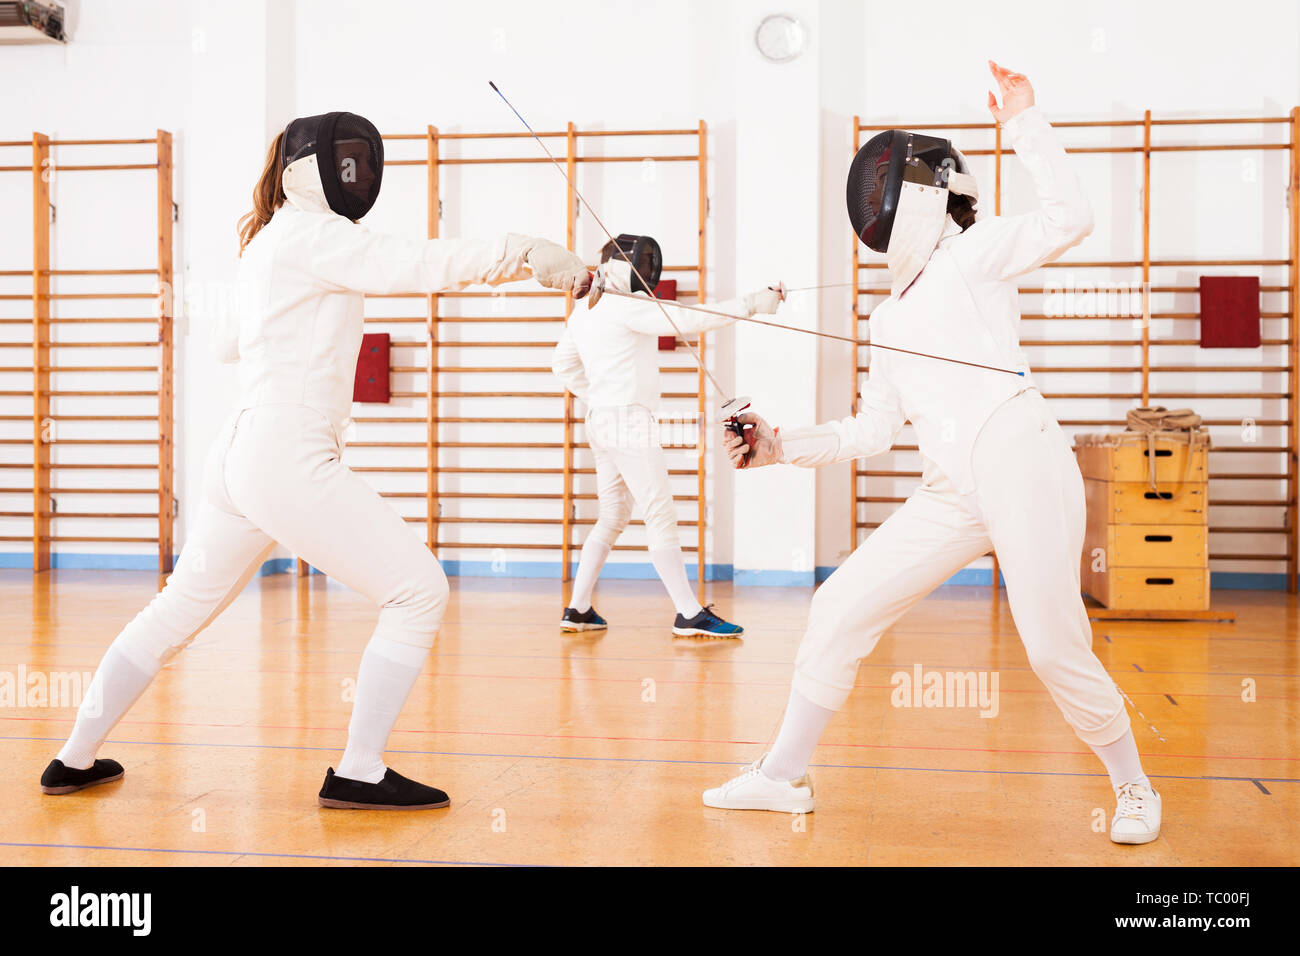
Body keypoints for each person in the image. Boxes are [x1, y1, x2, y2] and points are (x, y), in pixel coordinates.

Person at [40, 111, 591, 810]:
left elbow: (225, 346)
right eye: (348, 160)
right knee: (419, 591)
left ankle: (74, 757)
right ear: (311, 169)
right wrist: (523, 250)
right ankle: (359, 770)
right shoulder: (316, 237)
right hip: (284, 456)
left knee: (177, 606)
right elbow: (418, 265)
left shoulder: (271, 241)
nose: (358, 173)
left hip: (240, 455)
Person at [702, 63, 1161, 844]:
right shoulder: (885, 320)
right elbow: (871, 431)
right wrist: (780, 447)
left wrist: (1024, 120)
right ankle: (782, 775)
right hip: (952, 491)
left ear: (916, 194)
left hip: (1021, 460)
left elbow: (1069, 217)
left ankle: (1134, 787)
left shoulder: (973, 255)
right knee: (837, 607)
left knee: (1051, 645)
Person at [551, 234, 782, 637]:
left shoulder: (584, 310)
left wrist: (601, 397)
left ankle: (578, 607)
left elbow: (563, 366)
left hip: (601, 421)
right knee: (658, 513)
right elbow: (686, 320)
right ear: (628, 266)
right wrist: (751, 304)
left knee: (613, 515)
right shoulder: (623, 305)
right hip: (626, 423)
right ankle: (688, 613)